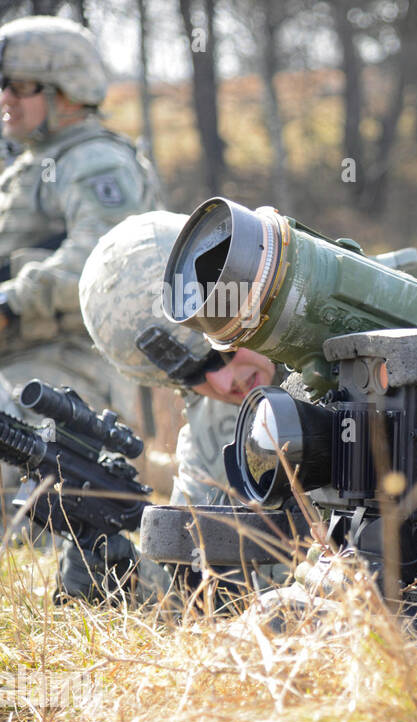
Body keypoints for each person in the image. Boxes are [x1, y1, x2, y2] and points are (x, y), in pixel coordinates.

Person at [60, 211, 276, 601]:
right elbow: (192, 583)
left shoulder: (360, 347)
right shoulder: (214, 425)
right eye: (193, 375)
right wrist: (125, 579)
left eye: (223, 350)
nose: (226, 381)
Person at [0, 16, 162, 427]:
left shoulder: (94, 161)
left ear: (67, 92)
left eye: (21, 87)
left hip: (68, 366)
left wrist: (13, 301)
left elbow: (105, 261)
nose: (6, 99)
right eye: (4, 86)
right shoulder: (28, 162)